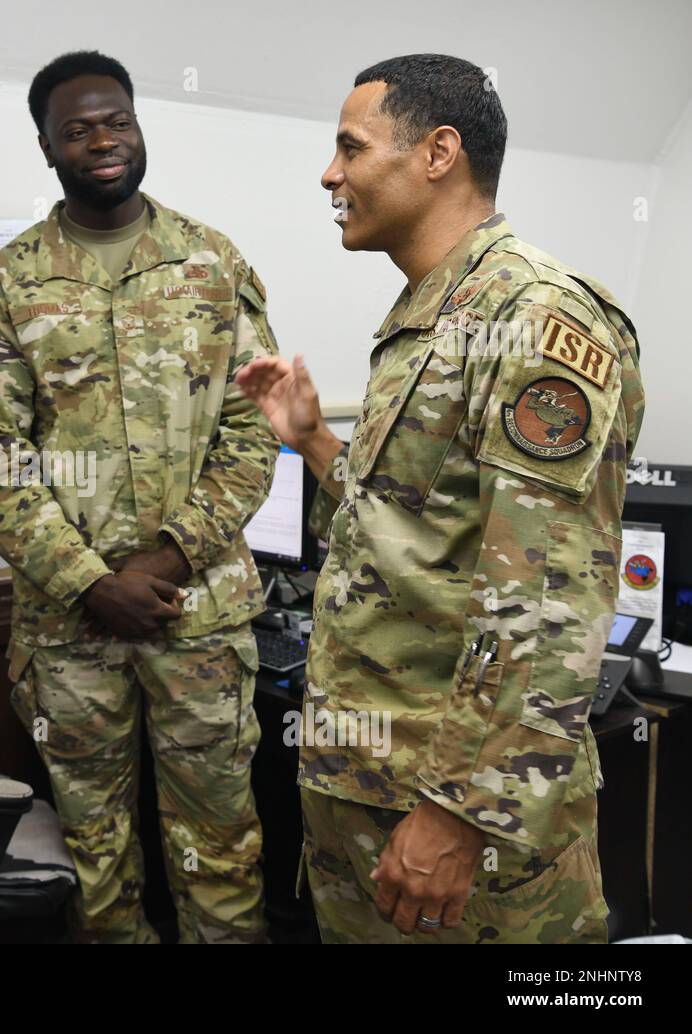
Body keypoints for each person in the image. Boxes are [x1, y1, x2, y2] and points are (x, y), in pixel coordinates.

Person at [237, 54, 643, 943]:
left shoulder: (535, 318)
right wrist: (313, 440)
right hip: (366, 787)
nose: (329, 174)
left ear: (438, 153)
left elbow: (548, 600)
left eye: (351, 147)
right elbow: (411, 532)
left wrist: (460, 812)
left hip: (458, 826)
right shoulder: (431, 315)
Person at [0, 51, 281, 943]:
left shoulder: (213, 262)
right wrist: (91, 582)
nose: (103, 142)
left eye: (118, 122)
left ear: (139, 128)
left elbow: (254, 430)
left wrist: (169, 557)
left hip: (198, 615)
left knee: (221, 844)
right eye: (78, 130)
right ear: (47, 148)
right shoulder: (12, 281)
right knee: (94, 851)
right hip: (70, 631)